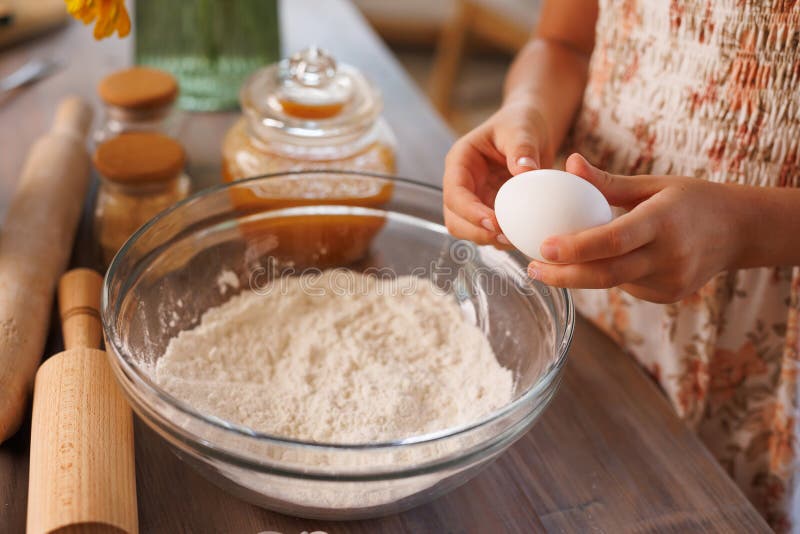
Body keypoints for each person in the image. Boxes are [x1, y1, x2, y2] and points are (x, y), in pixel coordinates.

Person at [442, 0, 800, 530]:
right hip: (598, 289)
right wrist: (529, 111)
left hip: (763, 338)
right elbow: (563, 44)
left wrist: (742, 229)